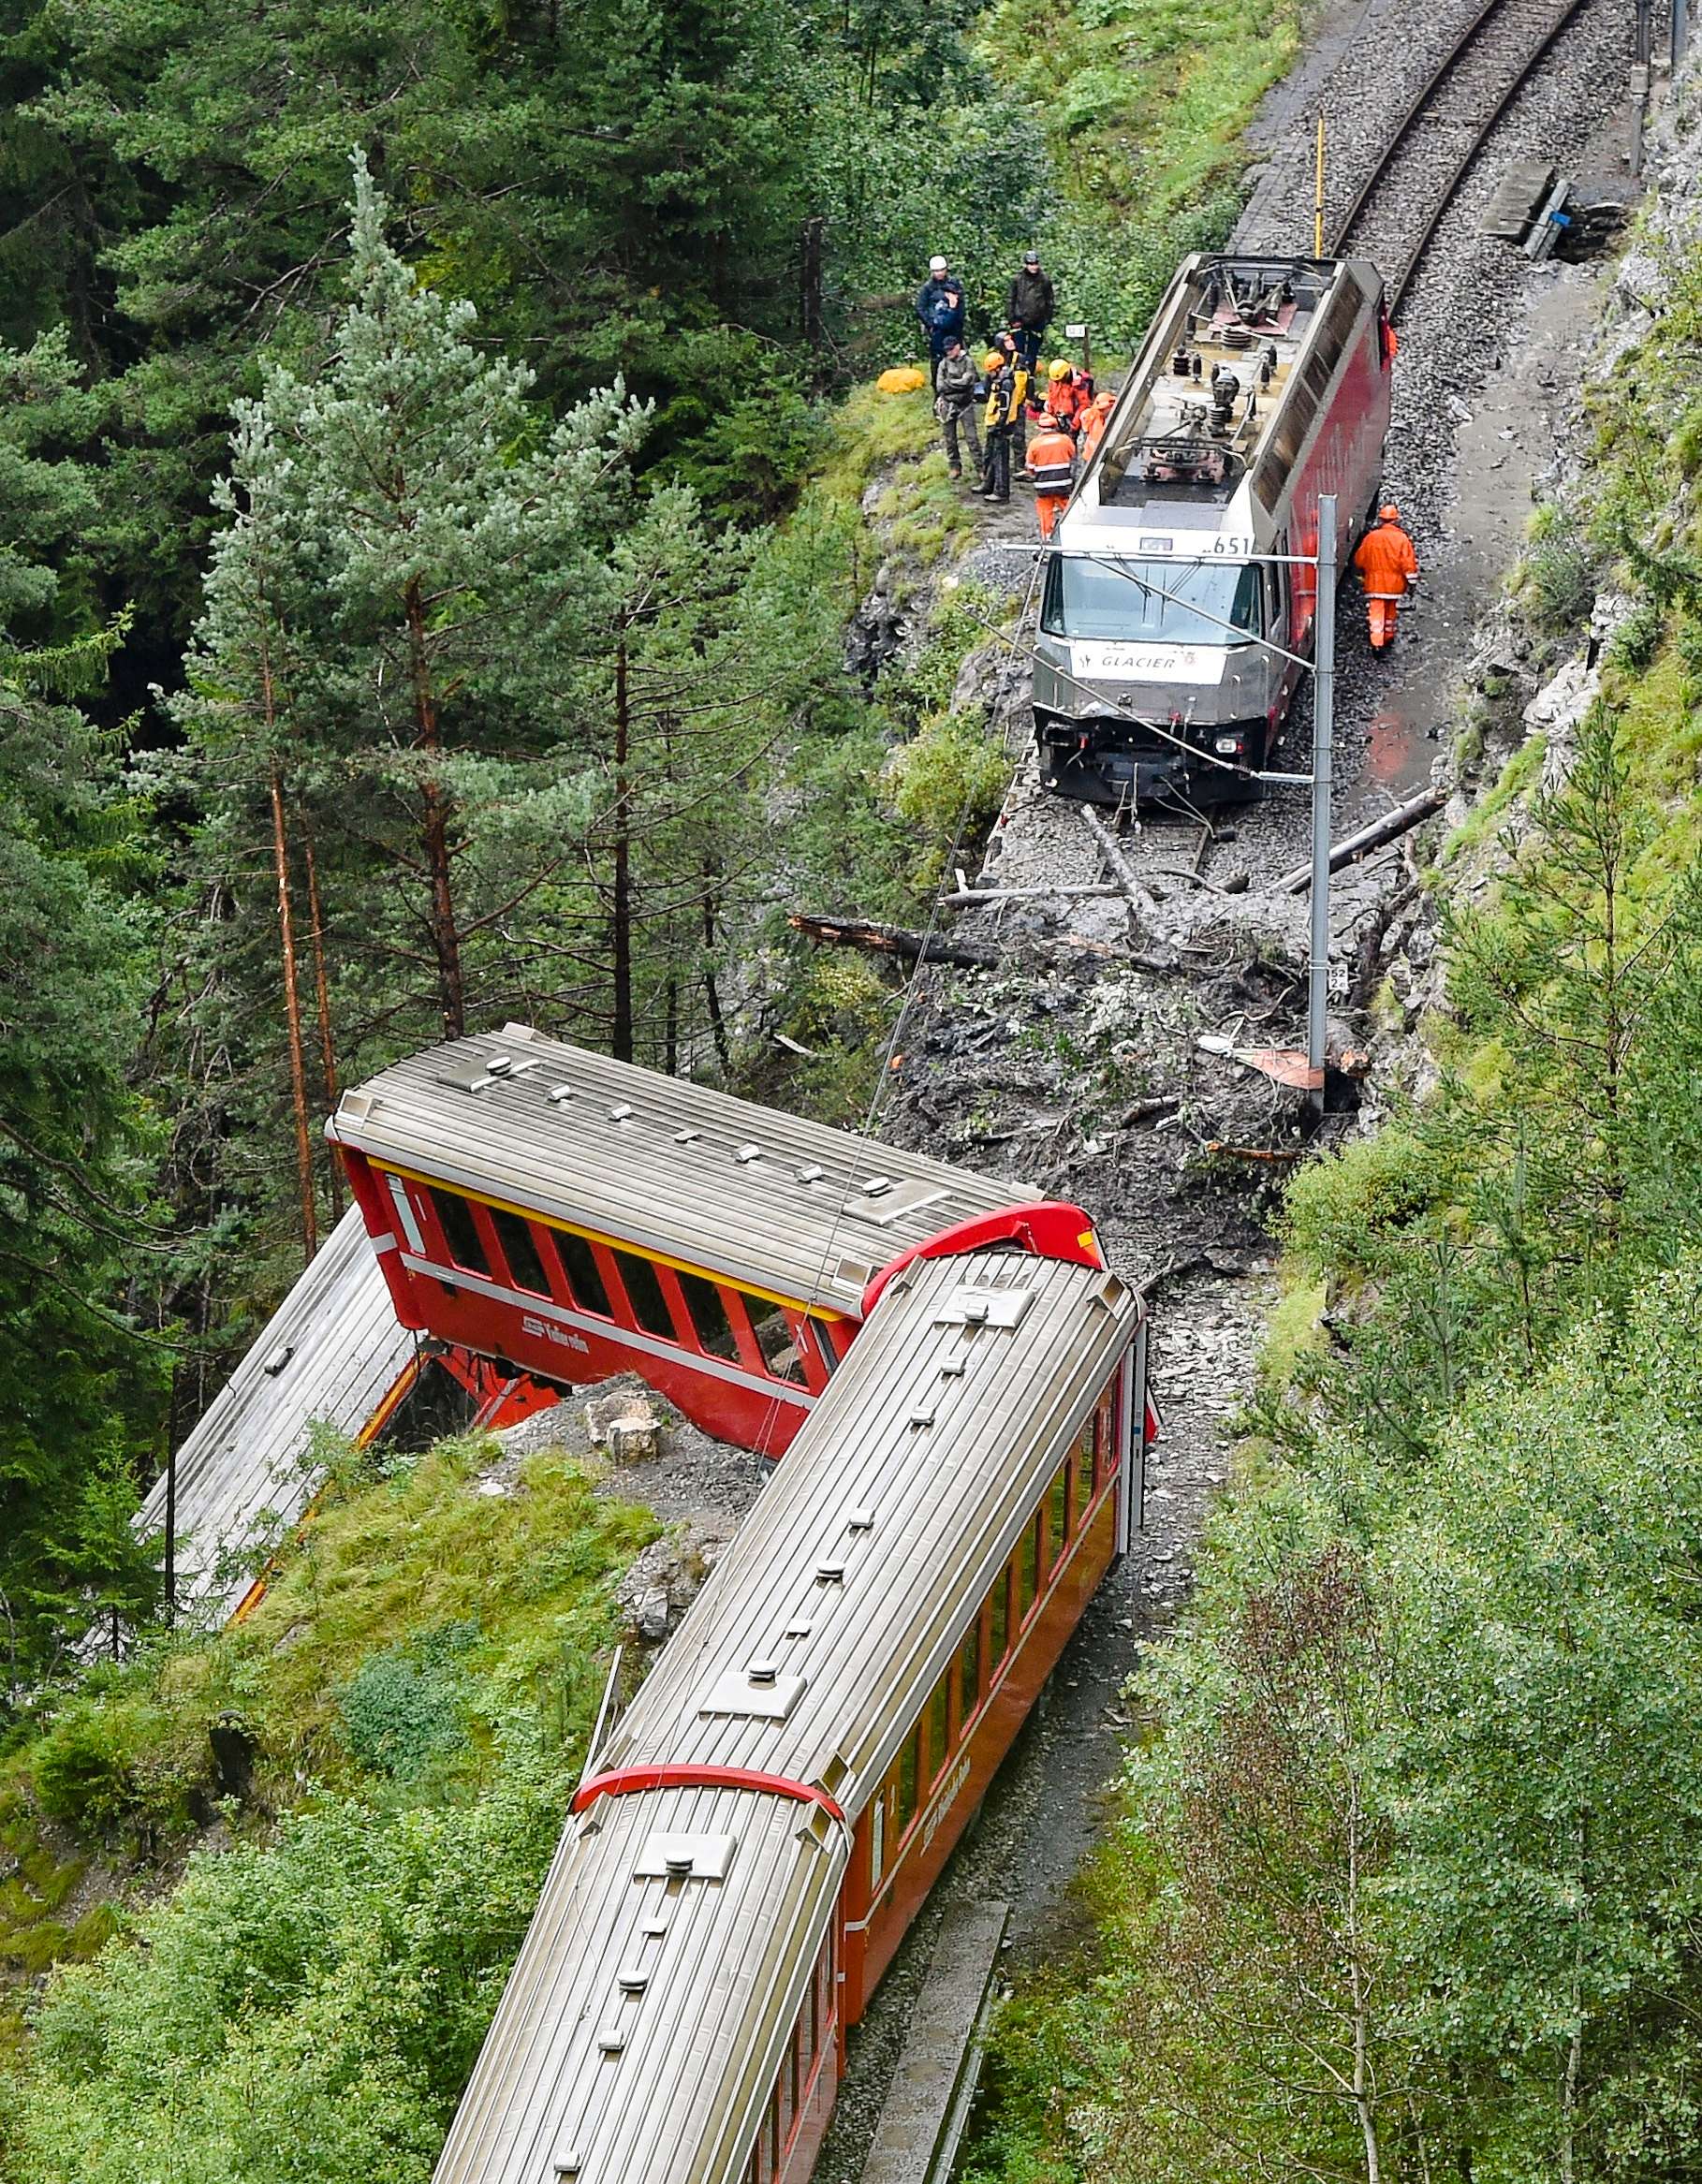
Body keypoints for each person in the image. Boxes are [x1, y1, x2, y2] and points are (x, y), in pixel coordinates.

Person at [1351, 502, 1419, 650]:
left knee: (1376, 612)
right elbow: (1408, 564)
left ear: (1381, 520)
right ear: (1396, 520)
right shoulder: (1402, 539)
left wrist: (1363, 572)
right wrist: (1412, 583)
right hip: (1395, 586)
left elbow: (1359, 559)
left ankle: (1376, 643)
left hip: (1374, 584)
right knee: (1390, 611)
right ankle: (1388, 636)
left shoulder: (1371, 537)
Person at [980, 336, 1029, 504]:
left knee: (1001, 459)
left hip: (1001, 425)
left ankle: (1001, 491)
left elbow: (1005, 407)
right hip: (994, 422)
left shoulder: (1006, 383)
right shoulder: (1000, 379)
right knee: (993, 455)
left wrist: (1000, 425)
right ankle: (989, 484)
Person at [933, 336, 982, 480]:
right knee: (950, 438)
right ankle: (954, 466)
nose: (948, 352)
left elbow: (969, 381)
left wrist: (951, 383)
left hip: (966, 403)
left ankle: (980, 468)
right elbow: (940, 386)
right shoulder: (943, 364)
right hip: (948, 404)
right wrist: (958, 384)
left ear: (958, 347)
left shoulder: (968, 362)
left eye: (951, 349)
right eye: (946, 350)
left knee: (972, 438)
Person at [916, 255, 966, 386]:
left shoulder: (954, 284)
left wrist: (959, 321)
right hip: (937, 329)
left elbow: (961, 303)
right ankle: (938, 385)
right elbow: (920, 308)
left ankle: (959, 382)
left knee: (957, 354)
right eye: (936, 271)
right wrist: (930, 324)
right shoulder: (927, 288)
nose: (939, 273)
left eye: (941, 270)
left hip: (954, 327)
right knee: (937, 357)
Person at [1005, 249, 1054, 379]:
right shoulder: (1017, 279)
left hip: (1037, 322)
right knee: (1018, 352)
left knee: (1033, 353)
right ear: (1026, 264)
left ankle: (1030, 379)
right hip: (1019, 321)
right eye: (1030, 264)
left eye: (1035, 264)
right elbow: (1011, 299)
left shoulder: (1044, 280)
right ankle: (1015, 378)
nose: (1033, 267)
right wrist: (1012, 319)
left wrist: (1047, 319)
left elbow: (1049, 300)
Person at [1027, 414, 1077, 538]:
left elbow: (1030, 466)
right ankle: (1072, 530)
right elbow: (1073, 456)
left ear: (1039, 427)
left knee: (1045, 509)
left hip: (1043, 484)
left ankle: (1047, 536)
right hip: (1063, 482)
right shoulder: (1065, 439)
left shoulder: (1035, 444)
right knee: (1067, 507)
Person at [1043, 358, 1093, 435]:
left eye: (1061, 379)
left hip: (1073, 419)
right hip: (1058, 417)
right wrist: (1050, 413)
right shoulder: (1055, 381)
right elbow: (1052, 396)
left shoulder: (1080, 383)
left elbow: (1084, 405)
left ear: (1067, 373)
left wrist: (1074, 425)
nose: (1059, 382)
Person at [1078, 386, 1116, 456]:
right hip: (1091, 454)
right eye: (1100, 409)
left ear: (1111, 406)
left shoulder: (1117, 417)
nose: (1102, 412)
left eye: (1104, 409)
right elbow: (1085, 432)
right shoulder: (1090, 415)